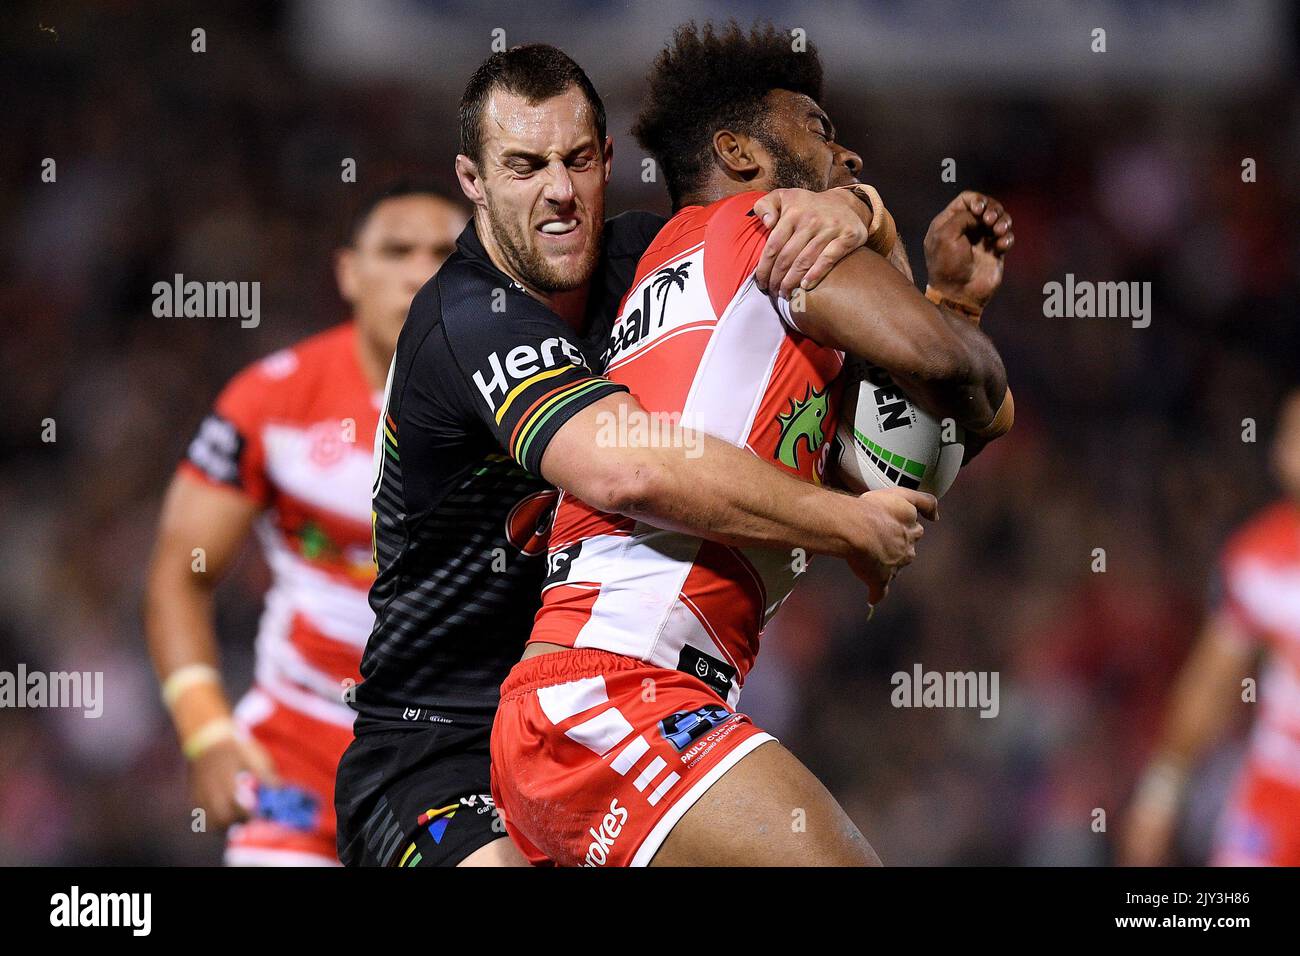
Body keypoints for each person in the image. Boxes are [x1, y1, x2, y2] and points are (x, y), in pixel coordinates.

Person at [333, 43, 929, 867]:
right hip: (436, 760)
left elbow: (874, 362)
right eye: (523, 165)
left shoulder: (650, 258)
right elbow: (627, 466)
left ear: (609, 159)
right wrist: (844, 522)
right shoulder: (467, 317)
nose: (558, 191)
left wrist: (860, 212)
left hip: (600, 712)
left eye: (577, 160)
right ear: (471, 182)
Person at [489, 21, 1016, 867]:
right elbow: (957, 374)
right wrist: (879, 233)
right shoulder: (759, 232)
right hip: (621, 682)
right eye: (819, 128)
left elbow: (925, 453)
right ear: (739, 153)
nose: (848, 160)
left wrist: (952, 299)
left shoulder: (705, 271)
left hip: (596, 700)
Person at [144, 183, 466, 865]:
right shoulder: (271, 399)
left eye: (444, 252)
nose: (419, 270)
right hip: (296, 747)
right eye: (396, 250)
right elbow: (179, 573)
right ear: (349, 272)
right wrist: (207, 733)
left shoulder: (533, 405)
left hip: (458, 753)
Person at [1122, 389, 1300, 866]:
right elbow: (1212, 682)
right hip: (1280, 787)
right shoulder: (1258, 556)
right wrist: (1161, 791)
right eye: (1289, 437)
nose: (1291, 452)